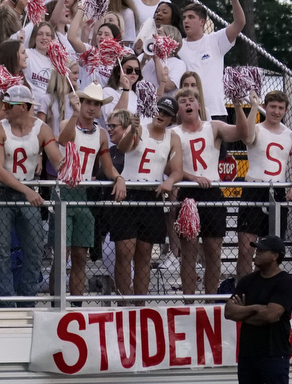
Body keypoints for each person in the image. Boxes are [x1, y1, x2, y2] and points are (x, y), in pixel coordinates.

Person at [0, 84, 65, 303]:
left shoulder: (42, 129)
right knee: (0, 251)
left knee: (35, 248)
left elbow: (57, 159)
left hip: (27, 191)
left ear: (22, 107)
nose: (4, 109)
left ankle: (27, 297)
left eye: (9, 105)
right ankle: (6, 301)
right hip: (3, 191)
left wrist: (72, 169)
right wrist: (27, 190)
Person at [173, 85, 248, 296]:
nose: (188, 103)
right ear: (178, 109)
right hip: (188, 194)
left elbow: (242, 133)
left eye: (191, 100)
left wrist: (237, 105)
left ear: (198, 105)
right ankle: (189, 301)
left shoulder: (213, 126)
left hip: (213, 191)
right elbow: (170, 166)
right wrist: (192, 177)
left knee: (214, 252)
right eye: (182, 101)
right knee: (188, 252)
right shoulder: (174, 133)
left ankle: (209, 300)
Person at [56, 83, 127, 297]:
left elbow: (107, 165)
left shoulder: (102, 133)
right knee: (62, 254)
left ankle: (76, 304)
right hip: (65, 190)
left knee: (80, 254)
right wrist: (75, 114)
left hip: (85, 192)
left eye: (96, 104)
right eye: (88, 102)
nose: (92, 107)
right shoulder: (67, 123)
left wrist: (118, 178)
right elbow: (62, 139)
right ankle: (56, 304)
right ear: (82, 102)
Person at [109, 101, 181, 298]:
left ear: (172, 118)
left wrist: (170, 181)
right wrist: (132, 129)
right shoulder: (140, 128)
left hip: (152, 195)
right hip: (130, 192)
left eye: (167, 113)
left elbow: (177, 170)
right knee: (124, 252)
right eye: (159, 110)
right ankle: (124, 299)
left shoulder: (172, 137)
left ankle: (140, 303)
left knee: (144, 254)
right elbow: (123, 148)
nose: (161, 115)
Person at [236, 91, 292, 279]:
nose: (276, 111)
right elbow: (248, 138)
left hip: (278, 192)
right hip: (254, 190)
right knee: (245, 250)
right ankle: (242, 291)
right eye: (272, 107)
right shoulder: (257, 128)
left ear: (286, 110)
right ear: (265, 107)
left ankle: (265, 290)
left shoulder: (291, 137)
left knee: (270, 253)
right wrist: (252, 107)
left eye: (280, 108)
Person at [226, 234, 292, 384]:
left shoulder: (285, 282)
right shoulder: (247, 281)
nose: (257, 253)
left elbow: (270, 315)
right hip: (248, 355)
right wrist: (257, 308)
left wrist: (244, 312)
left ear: (275, 256)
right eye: (257, 249)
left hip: (274, 355)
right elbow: (229, 312)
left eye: (262, 250)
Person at [179, 0, 245, 120]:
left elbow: (239, 23)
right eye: (184, 17)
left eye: (191, 17)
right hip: (188, 111)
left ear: (202, 22)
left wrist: (235, 0)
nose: (186, 21)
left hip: (215, 110)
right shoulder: (178, 45)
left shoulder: (215, 40)